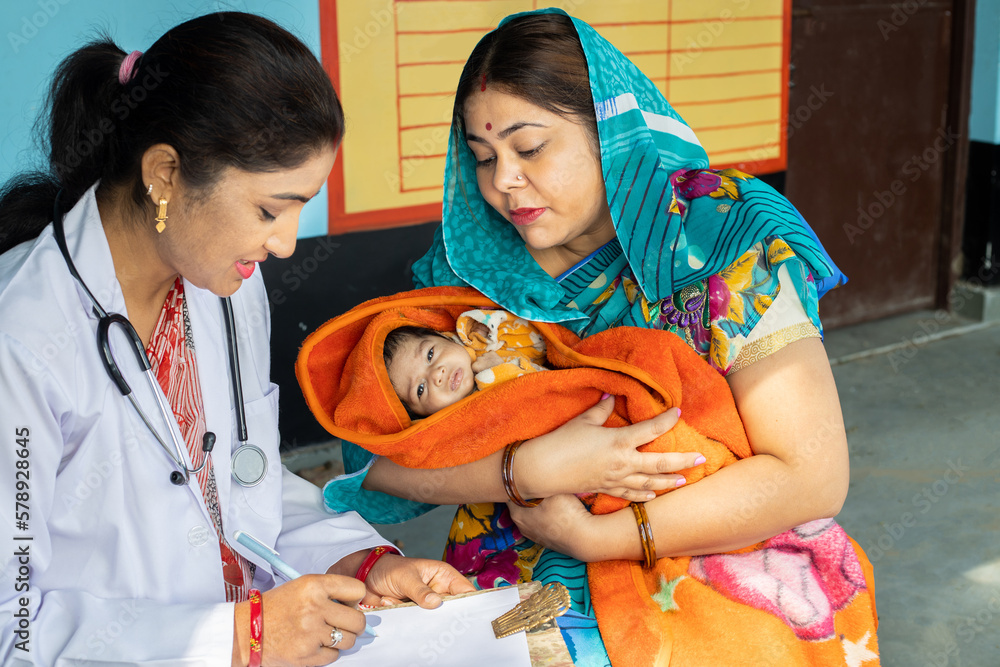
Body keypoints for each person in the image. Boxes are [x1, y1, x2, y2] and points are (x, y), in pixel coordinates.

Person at [324, 8, 878, 666]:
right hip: (521, 561)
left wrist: (603, 535)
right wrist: (524, 469)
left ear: (611, 131)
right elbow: (372, 459)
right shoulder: (473, 271)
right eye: (482, 157)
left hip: (719, 552)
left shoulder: (718, 239)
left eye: (530, 149)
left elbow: (811, 476)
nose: (503, 181)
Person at [0, 13, 473, 665]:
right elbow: (11, 627)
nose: (285, 242)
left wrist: (360, 565)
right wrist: (233, 638)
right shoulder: (20, 338)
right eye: (268, 209)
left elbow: (241, 479)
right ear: (165, 173)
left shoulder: (224, 286)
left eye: (301, 206)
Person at [384, 309, 547, 417]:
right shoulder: (471, 418)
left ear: (444, 336)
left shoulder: (480, 334)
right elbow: (542, 397)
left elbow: (539, 339)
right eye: (420, 389)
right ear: (424, 416)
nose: (436, 374)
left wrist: (487, 326)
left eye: (430, 354)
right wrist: (503, 372)